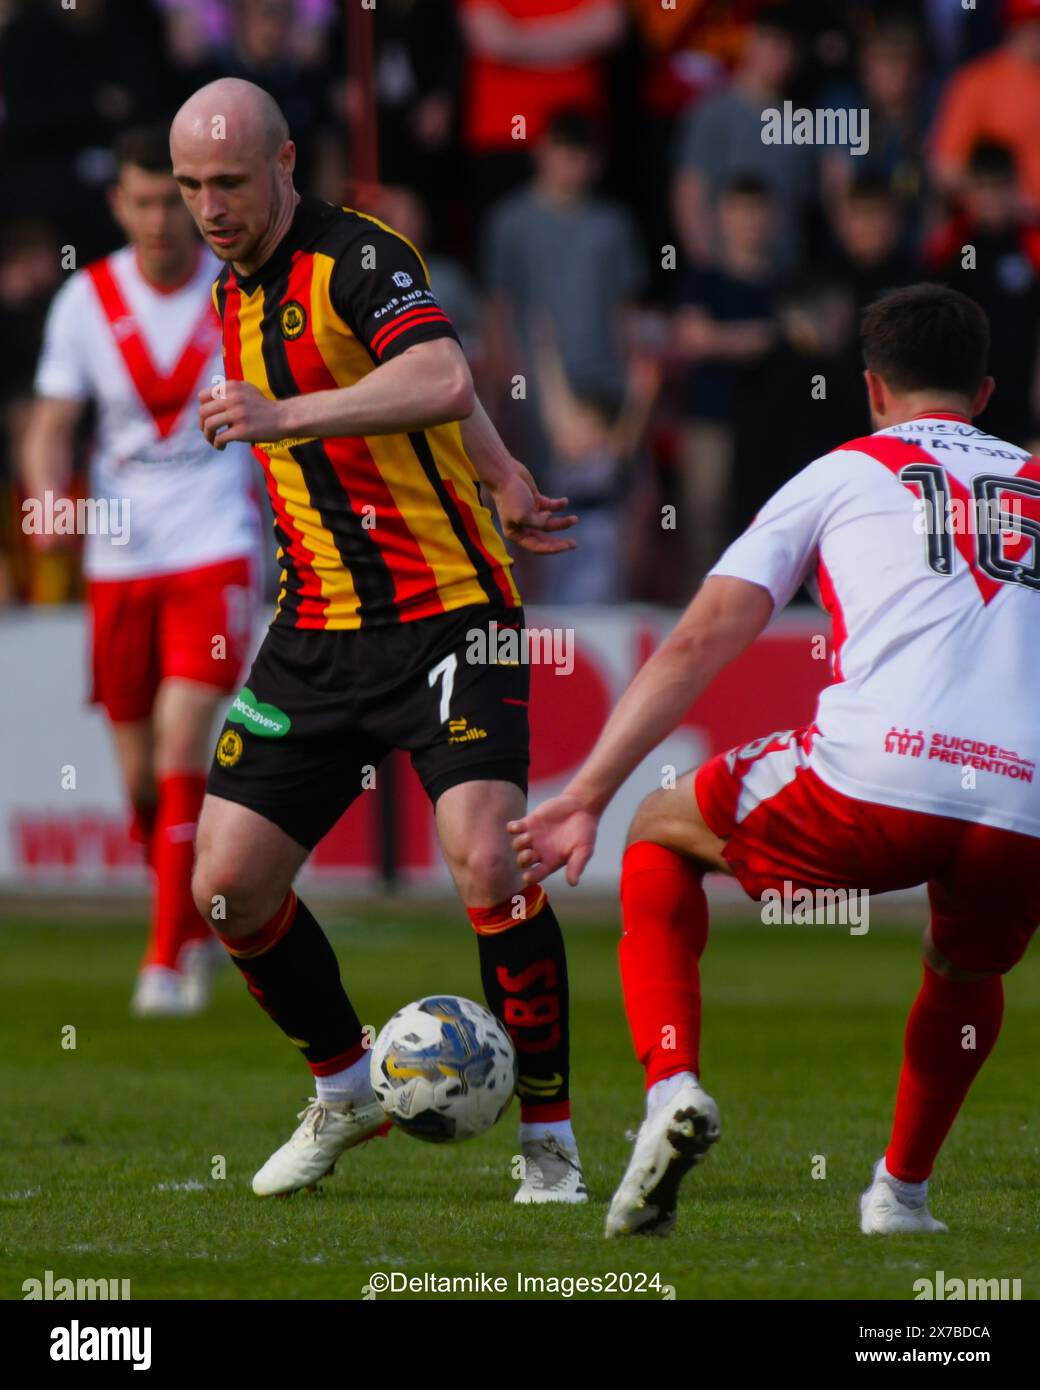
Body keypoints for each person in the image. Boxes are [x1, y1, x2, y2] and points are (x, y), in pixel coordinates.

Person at [509, 283, 1040, 1237]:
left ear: (873, 388)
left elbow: (702, 637)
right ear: (988, 390)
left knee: (658, 828)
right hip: (1023, 805)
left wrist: (585, 793)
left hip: (880, 779)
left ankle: (671, 1084)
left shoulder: (842, 472)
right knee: (965, 970)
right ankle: (901, 1195)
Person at [170, 77, 588, 1204]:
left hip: (450, 606)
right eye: (191, 186)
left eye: (229, 183)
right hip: (314, 627)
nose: (209, 206)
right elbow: (436, 394)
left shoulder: (354, 254)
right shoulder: (233, 288)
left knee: (487, 856)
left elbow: (441, 369)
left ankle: (547, 1142)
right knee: (225, 886)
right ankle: (346, 1088)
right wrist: (499, 468)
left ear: (286, 164)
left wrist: (280, 414)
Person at [22, 125, 263, 1016]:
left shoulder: (237, 288)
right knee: (134, 773)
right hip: (118, 550)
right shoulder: (85, 301)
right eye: (144, 201)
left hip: (215, 540)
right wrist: (48, 493)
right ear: (118, 206)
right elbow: (52, 420)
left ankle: (163, 960)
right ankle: (195, 919)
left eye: (176, 199)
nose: (163, 219)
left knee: (180, 736)